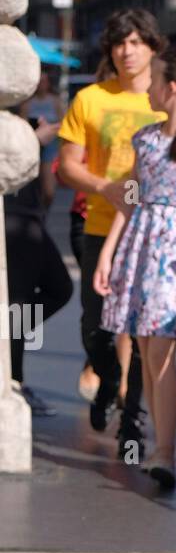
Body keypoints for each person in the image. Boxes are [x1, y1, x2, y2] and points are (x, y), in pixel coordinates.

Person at [93, 48, 176, 490]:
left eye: (152, 80)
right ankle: (158, 445)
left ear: (170, 87)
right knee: (148, 347)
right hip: (143, 244)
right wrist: (109, 251)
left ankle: (166, 450)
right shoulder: (146, 139)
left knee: (161, 348)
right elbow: (131, 198)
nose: (146, 87)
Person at [57, 8, 167, 456]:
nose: (127, 51)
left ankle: (132, 422)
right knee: (95, 327)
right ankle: (104, 379)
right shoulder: (91, 99)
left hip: (150, 234)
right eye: (120, 43)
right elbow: (67, 165)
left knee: (141, 329)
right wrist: (106, 187)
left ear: (153, 48)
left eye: (137, 42)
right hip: (98, 224)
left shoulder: (165, 100)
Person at [3, 121, 74, 416]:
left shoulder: (27, 123)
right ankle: (13, 384)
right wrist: (36, 140)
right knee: (18, 308)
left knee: (56, 289)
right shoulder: (27, 132)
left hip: (29, 219)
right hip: (13, 219)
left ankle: (12, 371)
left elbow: (48, 186)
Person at [21, 68, 64, 205]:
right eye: (39, 81)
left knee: (48, 190)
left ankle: (44, 213)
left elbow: (64, 122)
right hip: (31, 145)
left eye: (44, 81)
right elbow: (22, 123)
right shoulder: (27, 103)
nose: (41, 84)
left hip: (50, 147)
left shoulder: (55, 101)